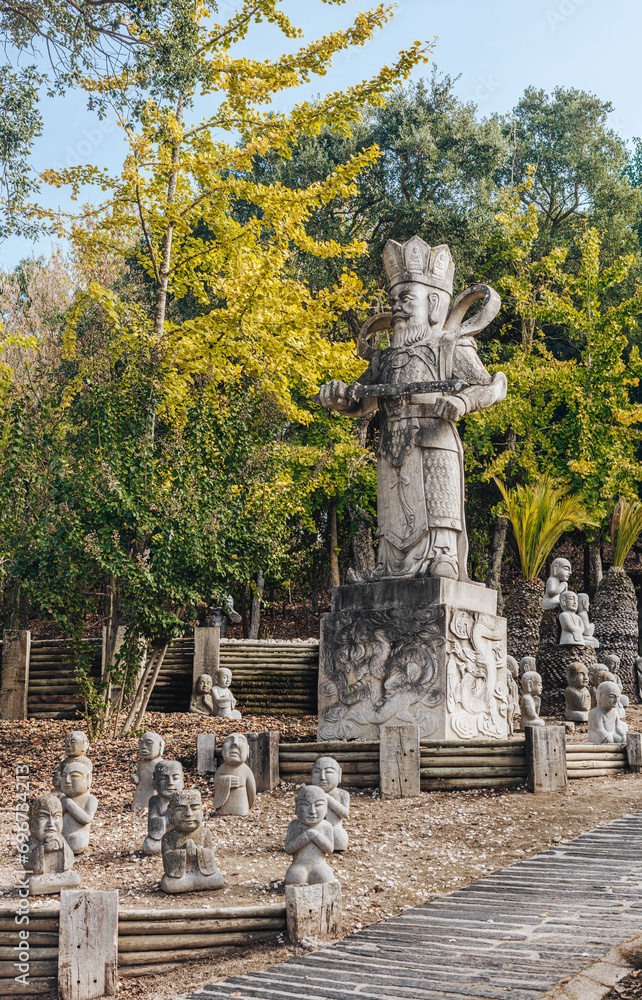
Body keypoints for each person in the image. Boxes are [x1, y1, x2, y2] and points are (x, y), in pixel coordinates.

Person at [318, 236, 506, 582]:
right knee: (392, 517)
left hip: (435, 439)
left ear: (434, 302)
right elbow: (361, 400)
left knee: (437, 509)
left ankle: (443, 557)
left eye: (406, 298)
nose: (397, 307)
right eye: (393, 300)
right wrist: (339, 399)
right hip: (392, 443)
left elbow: (495, 386)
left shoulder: (450, 346)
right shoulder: (385, 357)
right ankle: (389, 568)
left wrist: (463, 401)